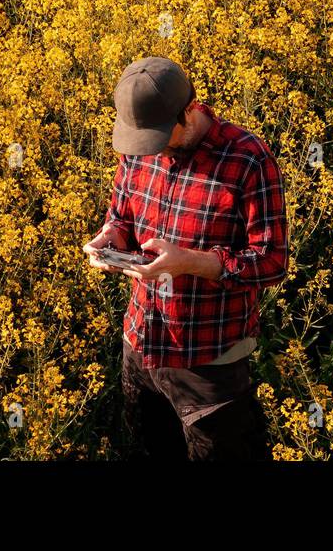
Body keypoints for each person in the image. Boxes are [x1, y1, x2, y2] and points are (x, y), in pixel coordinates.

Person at [85, 56, 289, 459]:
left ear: (189, 110)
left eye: (159, 137)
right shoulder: (140, 148)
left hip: (209, 363)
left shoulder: (248, 160)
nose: (150, 150)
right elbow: (122, 215)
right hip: (141, 343)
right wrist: (110, 237)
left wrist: (189, 262)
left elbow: (271, 261)